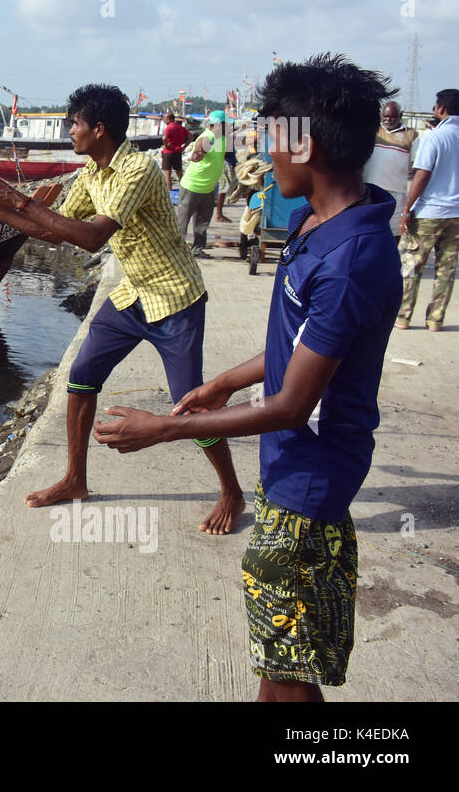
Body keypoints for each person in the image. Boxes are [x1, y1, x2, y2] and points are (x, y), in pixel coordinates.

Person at [93, 54, 400, 701]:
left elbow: (292, 404)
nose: (261, 155)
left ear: (306, 145)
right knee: (279, 660)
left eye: (268, 141)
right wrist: (225, 381)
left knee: (289, 678)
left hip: (307, 490)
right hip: (289, 476)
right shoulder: (318, 220)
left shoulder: (350, 260)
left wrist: (164, 429)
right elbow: (303, 344)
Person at [0, 84, 243, 534]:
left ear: (99, 128)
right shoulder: (92, 174)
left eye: (75, 124)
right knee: (81, 378)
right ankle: (74, 479)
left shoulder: (137, 170)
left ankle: (231, 491)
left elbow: (91, 237)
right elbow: (55, 231)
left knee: (192, 407)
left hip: (176, 299)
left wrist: (17, 199)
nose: (70, 131)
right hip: (132, 296)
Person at [396, 89, 459, 331]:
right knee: (446, 269)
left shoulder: (435, 137)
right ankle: (435, 320)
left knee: (411, 264)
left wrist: (406, 209)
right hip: (456, 214)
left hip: (429, 213)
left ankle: (403, 316)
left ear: (441, 109)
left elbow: (422, 175)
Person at [177, 110, 227, 257]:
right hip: (193, 186)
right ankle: (177, 250)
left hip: (209, 187)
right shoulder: (207, 137)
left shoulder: (223, 138)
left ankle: (197, 250)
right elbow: (199, 149)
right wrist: (197, 154)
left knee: (202, 221)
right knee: (183, 220)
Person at [365, 100, 418, 237]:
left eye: (392, 116)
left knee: (394, 233)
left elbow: (415, 166)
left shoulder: (411, 135)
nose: (388, 119)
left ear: (400, 115)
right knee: (370, 229)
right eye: (385, 116)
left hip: (397, 193)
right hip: (372, 189)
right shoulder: (373, 131)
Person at [161, 112, 189, 190]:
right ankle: (184, 188)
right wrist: (184, 147)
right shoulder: (180, 127)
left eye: (165, 119)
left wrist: (166, 146)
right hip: (177, 152)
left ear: (169, 119)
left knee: (167, 173)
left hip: (168, 152)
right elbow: (190, 136)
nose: (164, 121)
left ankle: (169, 190)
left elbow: (164, 138)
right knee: (179, 172)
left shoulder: (169, 127)